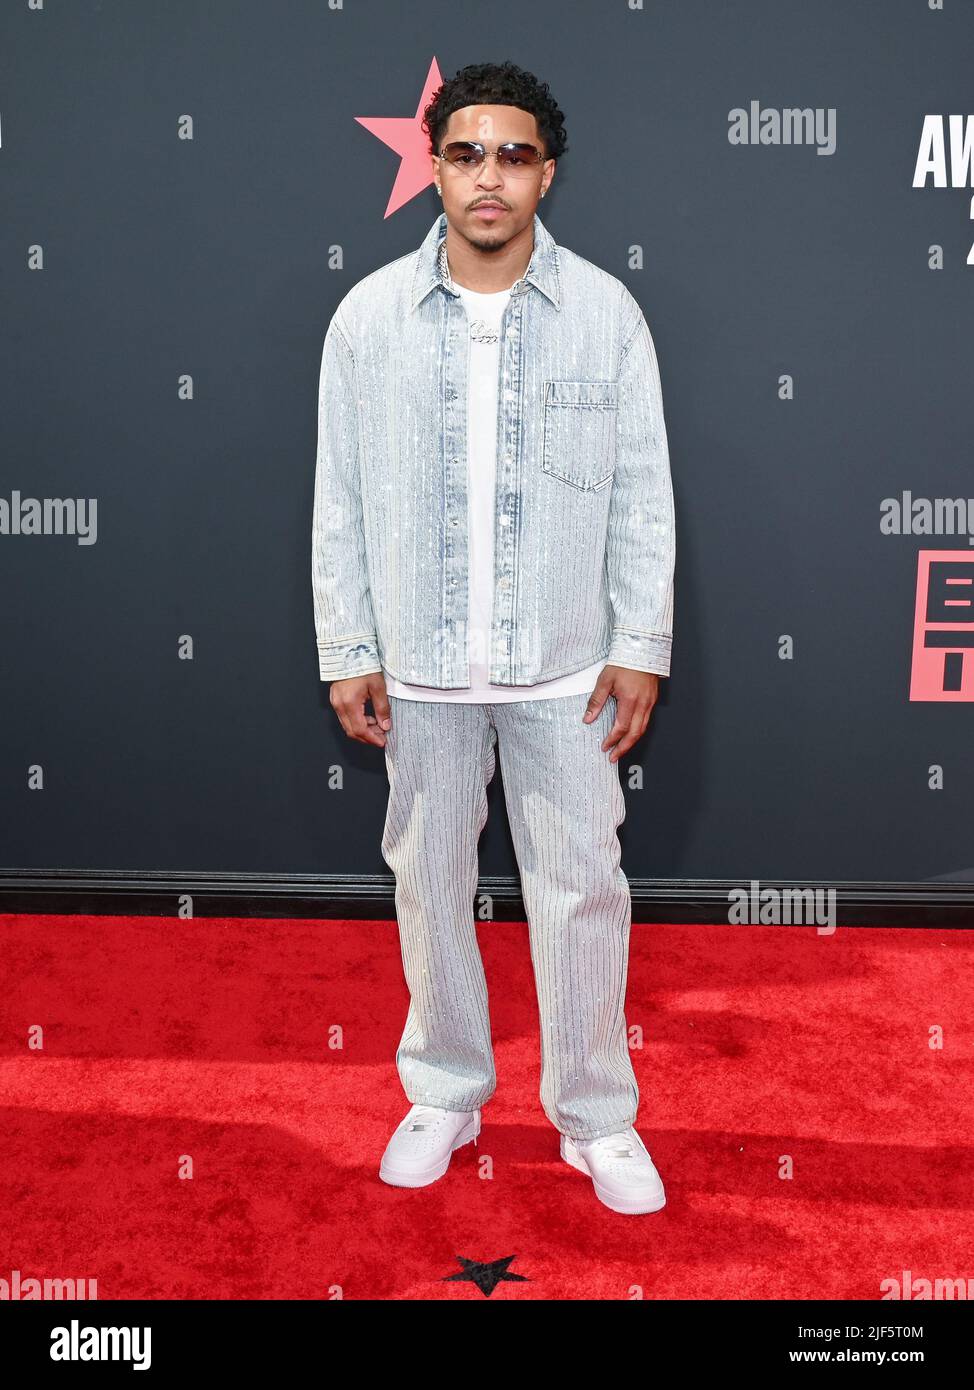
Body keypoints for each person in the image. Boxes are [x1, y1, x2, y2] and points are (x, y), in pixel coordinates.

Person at [311, 61, 676, 1215]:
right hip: (415, 667)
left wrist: (643, 641)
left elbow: (641, 493)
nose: (488, 176)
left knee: (580, 889)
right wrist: (345, 643)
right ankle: (447, 1089)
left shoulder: (606, 314)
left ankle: (593, 1117)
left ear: (546, 172)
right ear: (433, 166)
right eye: (465, 152)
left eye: (513, 154)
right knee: (430, 883)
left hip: (565, 664)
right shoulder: (366, 316)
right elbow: (338, 496)